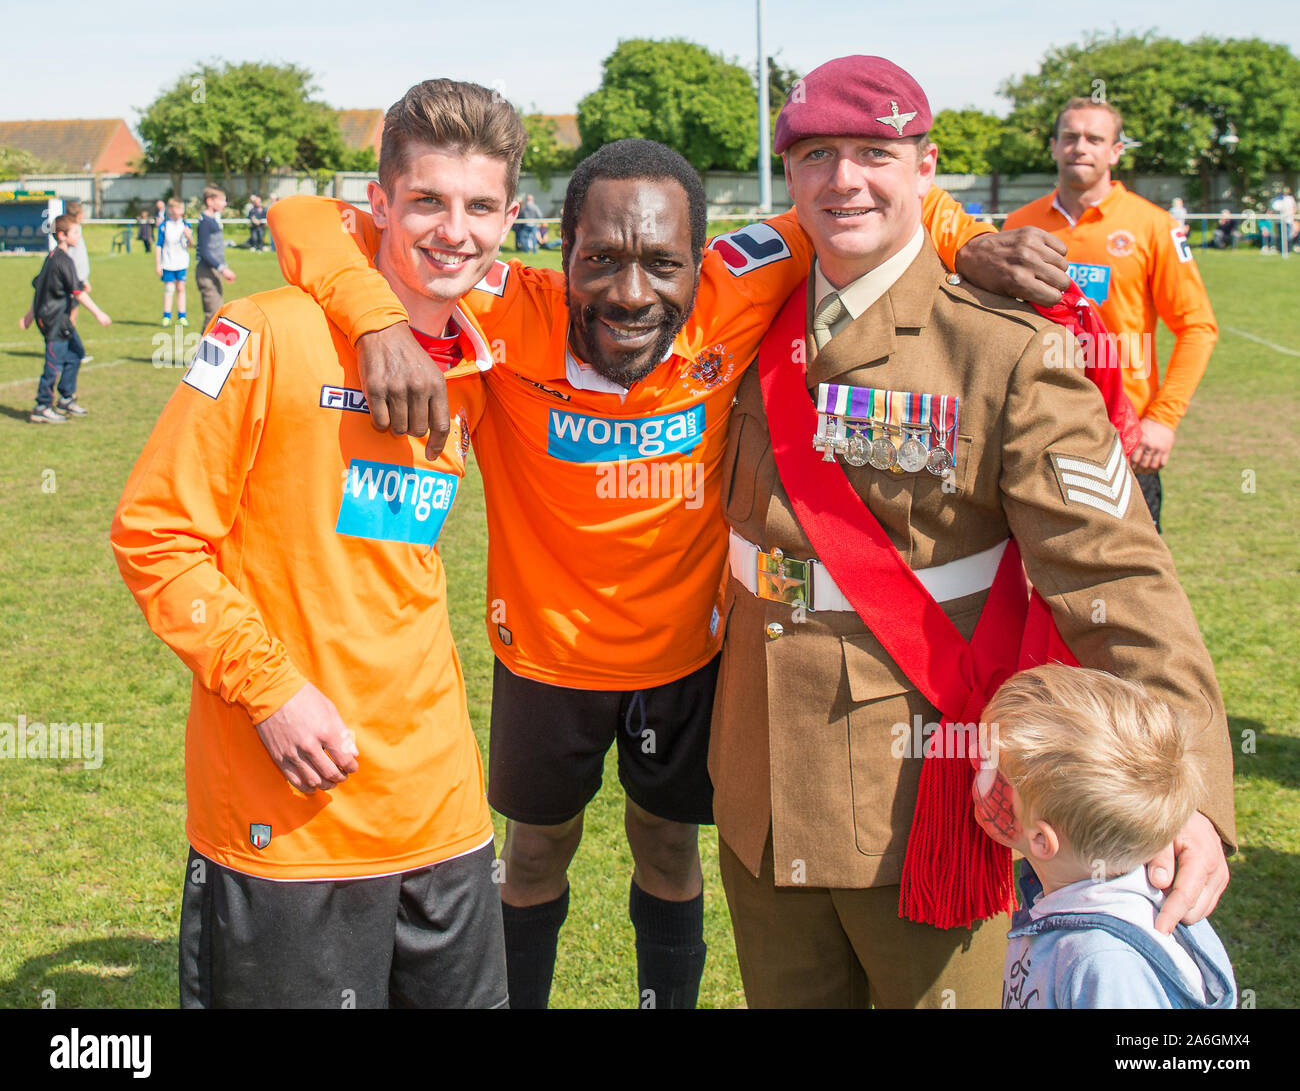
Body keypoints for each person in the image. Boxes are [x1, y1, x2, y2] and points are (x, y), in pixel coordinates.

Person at [267, 129, 1069, 1008]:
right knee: (532, 853)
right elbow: (303, 214)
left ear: (702, 260)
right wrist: (379, 318)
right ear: (556, 249)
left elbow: (855, 200)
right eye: (600, 259)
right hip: (543, 661)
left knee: (669, 847)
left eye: (662, 263)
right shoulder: (506, 305)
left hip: (690, 660)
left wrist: (963, 237)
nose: (631, 292)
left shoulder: (740, 281)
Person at [709, 55, 1234, 1009]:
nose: (844, 179)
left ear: (927, 166)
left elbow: (1114, 569)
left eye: (876, 151)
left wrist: (1188, 790)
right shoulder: (744, 316)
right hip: (758, 775)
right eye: (817, 154)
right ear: (790, 175)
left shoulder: (1003, 345)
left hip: (922, 797)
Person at [110, 79, 524, 1009]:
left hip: (443, 811)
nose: (454, 230)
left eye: (481, 206)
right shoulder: (265, 332)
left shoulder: (485, 355)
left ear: (510, 217)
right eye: (425, 201)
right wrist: (272, 692)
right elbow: (157, 534)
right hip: (290, 809)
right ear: (378, 205)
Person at [1004, 99, 1219, 532]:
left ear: (1115, 151)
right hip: (1039, 429)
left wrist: (1162, 419)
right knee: (1039, 577)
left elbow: (1198, 327)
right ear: (1053, 146)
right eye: (1070, 137)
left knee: (1129, 583)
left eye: (1094, 139)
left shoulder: (1154, 226)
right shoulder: (1020, 225)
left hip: (1125, 436)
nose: (1080, 147)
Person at [975, 665, 1236, 1009]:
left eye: (991, 767)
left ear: (1041, 839)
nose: (977, 769)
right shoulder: (1060, 891)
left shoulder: (1106, 964)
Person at [27, 213, 111, 423]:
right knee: (53, 363)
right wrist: (98, 313)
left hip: (57, 317)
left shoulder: (54, 256)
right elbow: (77, 292)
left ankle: (66, 397)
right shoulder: (63, 260)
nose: (79, 236)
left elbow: (39, 286)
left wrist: (29, 316)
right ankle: (42, 405)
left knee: (75, 353)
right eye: (75, 232)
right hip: (54, 319)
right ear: (62, 235)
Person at [195, 184, 236, 330]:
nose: (225, 204)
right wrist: (223, 269)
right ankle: (201, 351)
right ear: (210, 201)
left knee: (218, 315)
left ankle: (208, 351)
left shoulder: (213, 220)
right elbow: (205, 252)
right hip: (207, 273)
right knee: (213, 316)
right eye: (221, 200)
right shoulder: (205, 222)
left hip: (213, 272)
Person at [155, 198, 194, 327]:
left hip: (181, 262)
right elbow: (159, 245)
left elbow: (191, 245)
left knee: (181, 287)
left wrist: (189, 236)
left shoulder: (186, 225)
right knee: (169, 288)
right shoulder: (164, 226)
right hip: (168, 262)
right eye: (177, 208)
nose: (180, 211)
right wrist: (158, 264)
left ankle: (182, 316)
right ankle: (166, 316)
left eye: (182, 208)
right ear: (171, 210)